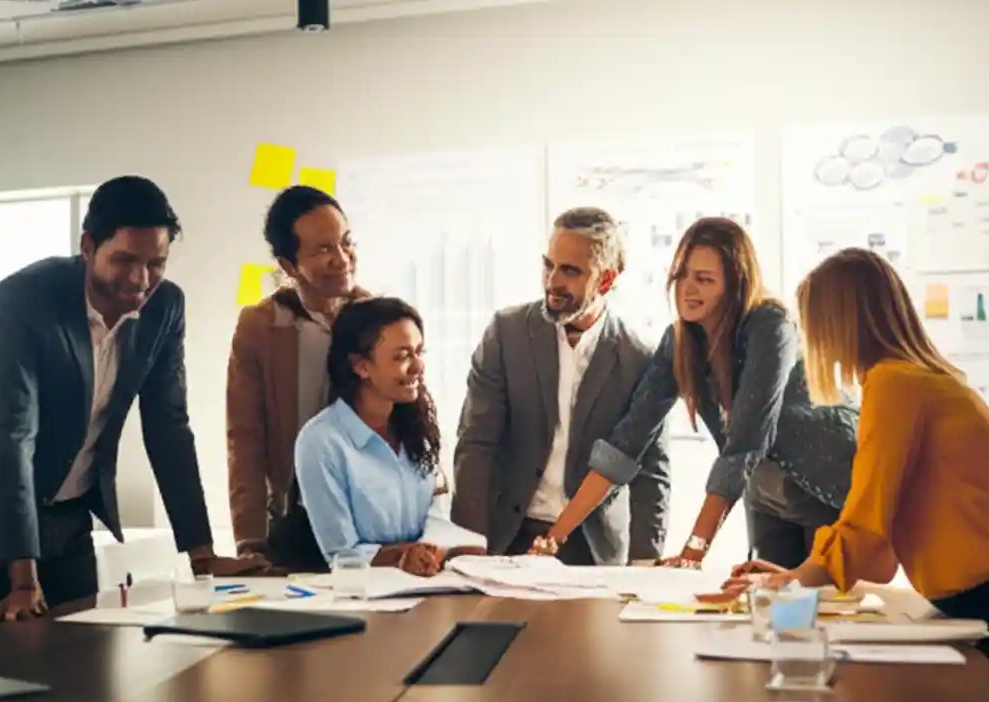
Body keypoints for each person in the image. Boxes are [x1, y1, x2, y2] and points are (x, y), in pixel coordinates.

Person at [0, 175, 266, 639]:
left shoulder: (165, 306)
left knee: (84, 664)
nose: (141, 280)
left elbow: (169, 427)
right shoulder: (27, 297)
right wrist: (23, 581)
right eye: (125, 260)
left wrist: (203, 556)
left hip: (68, 523)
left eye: (156, 263)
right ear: (88, 245)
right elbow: (11, 431)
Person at [730, 247, 989, 699]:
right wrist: (798, 574)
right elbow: (880, 558)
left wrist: (789, 581)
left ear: (843, 321)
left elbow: (863, 533)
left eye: (815, 322)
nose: (812, 339)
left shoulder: (895, 384)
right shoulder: (921, 378)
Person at [530, 217, 857, 568]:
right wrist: (555, 537)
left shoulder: (770, 326)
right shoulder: (679, 342)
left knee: (825, 594)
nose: (687, 289)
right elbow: (626, 443)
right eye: (682, 276)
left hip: (826, 480)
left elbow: (745, 443)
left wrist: (693, 552)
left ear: (735, 285)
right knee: (768, 594)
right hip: (767, 492)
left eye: (704, 279)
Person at [453, 207, 671, 566]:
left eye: (570, 271)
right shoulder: (507, 334)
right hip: (507, 536)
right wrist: (469, 545)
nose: (553, 281)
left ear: (606, 280)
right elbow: (476, 444)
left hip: (593, 549)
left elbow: (651, 473)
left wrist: (645, 563)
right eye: (548, 265)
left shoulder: (640, 358)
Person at [227, 186, 369, 572]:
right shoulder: (260, 327)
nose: (342, 259)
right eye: (323, 250)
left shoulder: (377, 316)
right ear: (288, 265)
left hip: (371, 520)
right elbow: (245, 437)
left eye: (346, 242)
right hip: (296, 522)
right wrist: (249, 541)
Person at [294, 297, 486, 577]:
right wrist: (402, 556)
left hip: (427, 585)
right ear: (361, 366)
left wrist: (433, 550)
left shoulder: (418, 431)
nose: (418, 366)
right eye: (402, 356)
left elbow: (436, 515)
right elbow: (341, 554)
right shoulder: (321, 442)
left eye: (419, 352)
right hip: (360, 592)